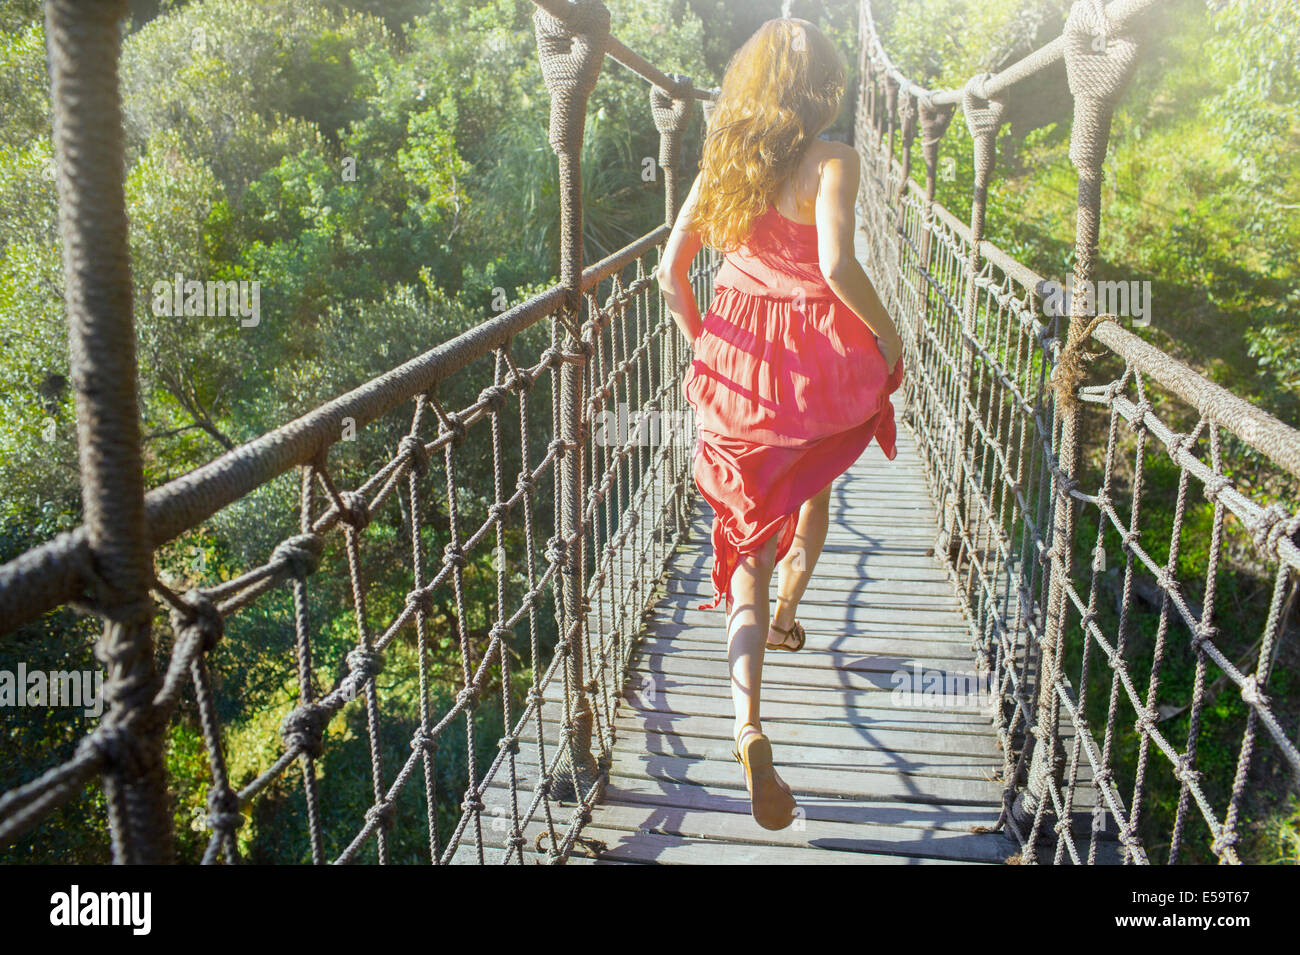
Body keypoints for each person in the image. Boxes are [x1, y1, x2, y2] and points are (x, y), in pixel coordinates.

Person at [655, 16, 905, 831]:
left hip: (734, 366)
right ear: (825, 89)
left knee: (744, 560)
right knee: (815, 480)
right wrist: (889, 334)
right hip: (813, 366)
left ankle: (747, 724)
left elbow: (668, 275)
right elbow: (836, 266)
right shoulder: (835, 159)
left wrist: (708, 353)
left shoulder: (722, 159)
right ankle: (797, 604)